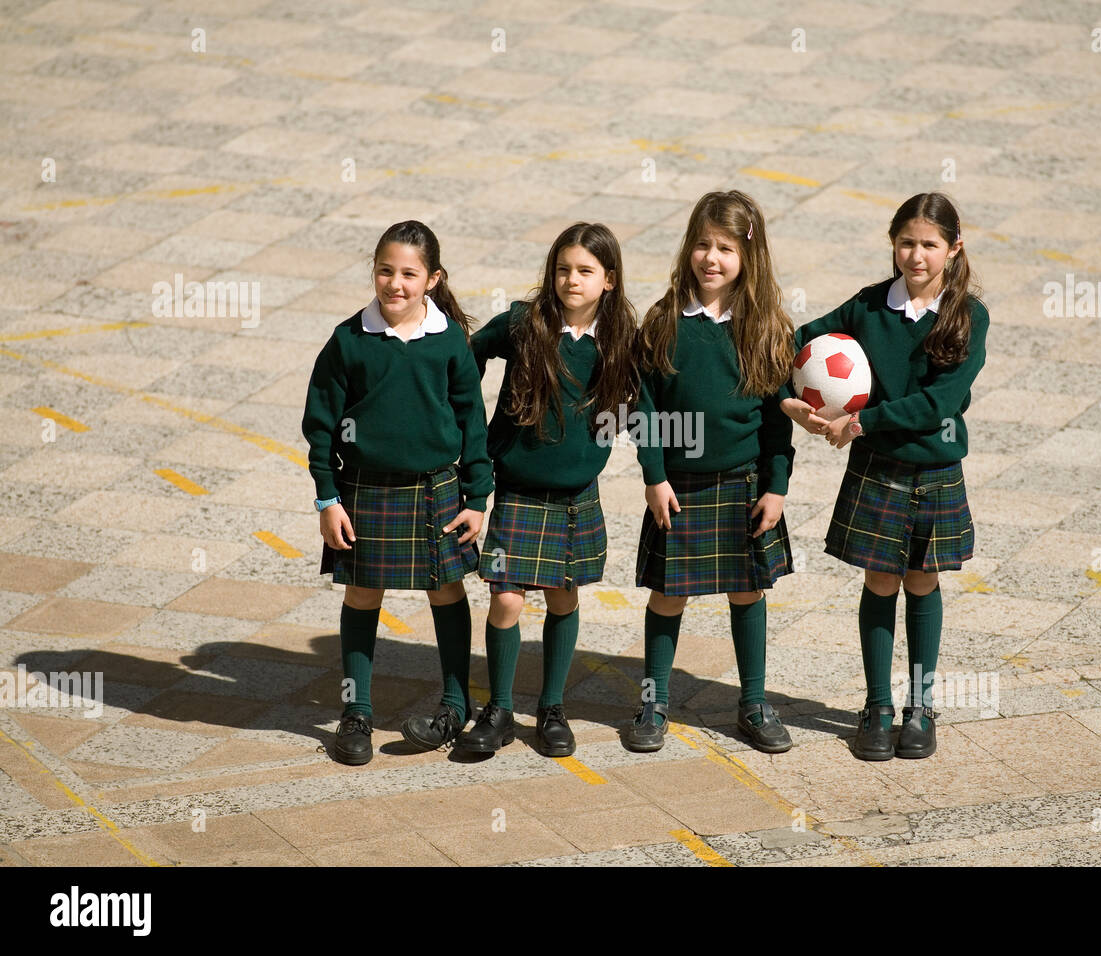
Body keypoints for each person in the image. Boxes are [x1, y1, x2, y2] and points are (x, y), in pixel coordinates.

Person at [782, 192, 989, 761]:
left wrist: (861, 421)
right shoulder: (869, 306)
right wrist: (791, 399)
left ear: (953, 248)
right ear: (892, 243)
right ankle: (876, 707)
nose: (915, 256)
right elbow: (796, 340)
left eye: (929, 244)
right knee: (879, 583)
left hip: (935, 468)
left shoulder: (969, 316)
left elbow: (938, 404)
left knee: (922, 582)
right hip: (877, 470)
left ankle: (920, 707)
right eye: (906, 242)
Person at [302, 220, 492, 766]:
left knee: (448, 592)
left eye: (409, 273)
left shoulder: (451, 340)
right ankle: (355, 712)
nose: (395, 284)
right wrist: (326, 497)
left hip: (439, 491)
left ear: (432, 278)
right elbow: (320, 425)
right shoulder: (348, 340)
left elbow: (472, 422)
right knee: (362, 595)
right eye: (385, 271)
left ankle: (456, 704)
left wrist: (478, 498)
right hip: (364, 492)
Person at [628, 190, 797, 755]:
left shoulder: (768, 328)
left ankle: (753, 702)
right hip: (677, 488)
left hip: (744, 486)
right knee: (667, 596)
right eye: (702, 244)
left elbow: (778, 423)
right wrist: (654, 476)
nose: (711, 258)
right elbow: (643, 408)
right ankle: (653, 702)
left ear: (749, 256)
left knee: (748, 592)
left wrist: (776, 486)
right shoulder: (663, 321)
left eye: (725, 247)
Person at [460, 223, 639, 757]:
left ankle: (552, 707)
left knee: (564, 596)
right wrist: (466, 416)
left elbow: (638, 398)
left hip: (575, 495)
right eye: (563, 269)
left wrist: (601, 442)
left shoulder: (621, 339)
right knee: (506, 600)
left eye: (585, 271)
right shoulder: (522, 322)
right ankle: (498, 710)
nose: (571, 280)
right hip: (516, 488)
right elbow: (468, 353)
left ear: (609, 279)